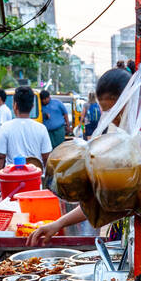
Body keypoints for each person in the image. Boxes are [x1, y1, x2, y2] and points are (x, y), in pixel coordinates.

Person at [28, 69, 132, 243]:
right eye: (106, 112)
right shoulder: (120, 139)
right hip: (125, 234)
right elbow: (99, 200)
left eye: (114, 112)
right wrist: (58, 224)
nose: (112, 119)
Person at [0, 85, 52, 200]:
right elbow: (47, 159)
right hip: (35, 182)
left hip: (11, 184)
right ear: (32, 106)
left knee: (13, 214)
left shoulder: (5, 128)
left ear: (15, 105)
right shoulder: (41, 128)